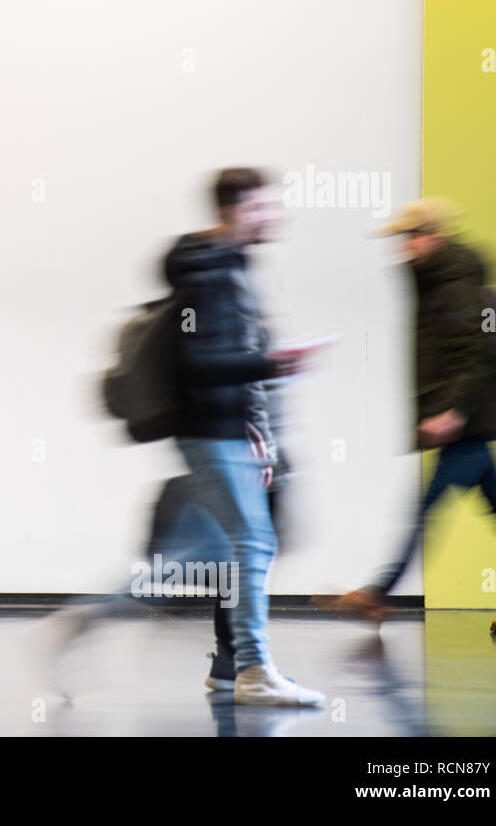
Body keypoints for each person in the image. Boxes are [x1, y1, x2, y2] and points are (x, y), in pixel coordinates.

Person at [331, 197, 496, 631]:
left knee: (425, 507)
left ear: (434, 237)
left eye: (409, 237)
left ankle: (378, 591)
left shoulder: (456, 282)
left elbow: (475, 354)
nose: (402, 247)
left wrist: (453, 411)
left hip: (467, 418)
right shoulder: (435, 281)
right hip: (466, 417)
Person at [162, 167, 323, 705]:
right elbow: (199, 361)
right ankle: (251, 671)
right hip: (213, 432)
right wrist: (275, 362)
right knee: (249, 545)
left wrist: (264, 433)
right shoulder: (208, 273)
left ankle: (232, 666)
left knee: (231, 549)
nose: (273, 216)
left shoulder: (233, 266)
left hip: (233, 431)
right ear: (235, 209)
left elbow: (235, 364)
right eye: (262, 206)